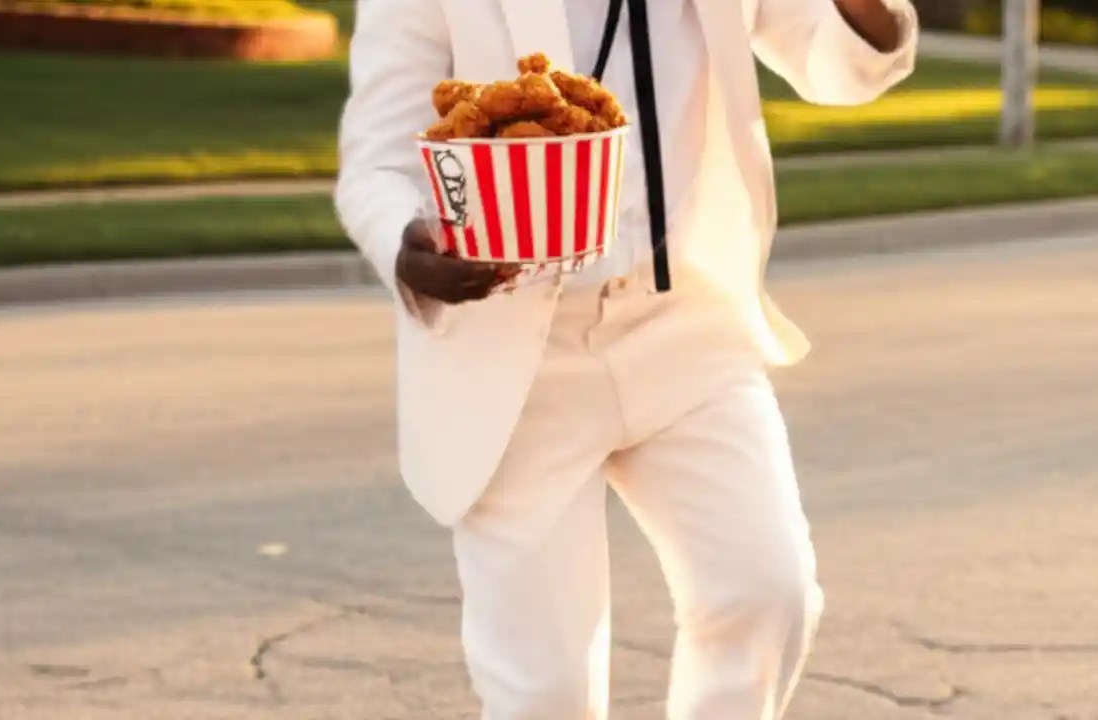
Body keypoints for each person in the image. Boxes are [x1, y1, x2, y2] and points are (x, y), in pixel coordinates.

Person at [335, 0, 917, 717]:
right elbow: (376, 161)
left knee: (766, 589)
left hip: (686, 326)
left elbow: (839, 67)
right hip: (519, 352)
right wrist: (406, 241)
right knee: (547, 692)